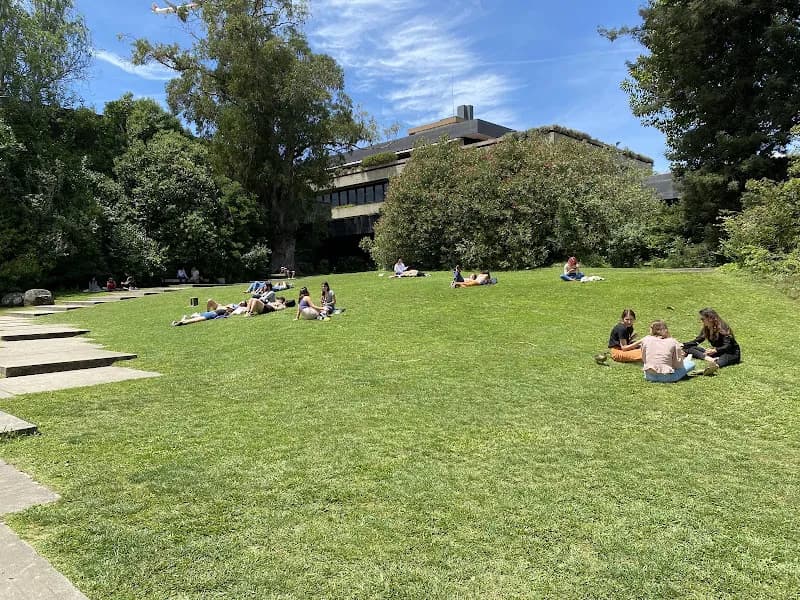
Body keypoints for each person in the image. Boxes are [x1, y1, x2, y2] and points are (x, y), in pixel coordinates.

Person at [681, 307, 741, 375]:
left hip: (730, 353)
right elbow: (698, 340)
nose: (701, 321)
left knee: (724, 359)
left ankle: (709, 368)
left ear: (710, 318)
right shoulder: (707, 328)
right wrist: (683, 345)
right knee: (689, 348)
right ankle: (710, 359)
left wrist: (715, 350)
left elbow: (727, 346)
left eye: (703, 319)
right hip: (717, 352)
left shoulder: (723, 328)